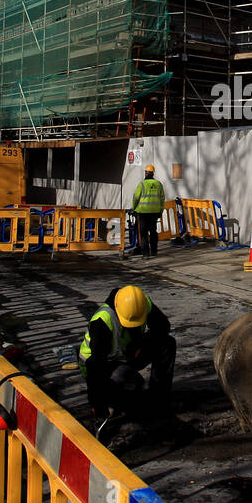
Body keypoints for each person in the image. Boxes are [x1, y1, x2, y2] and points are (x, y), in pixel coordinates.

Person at [77, 285, 175, 436]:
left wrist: (140, 342)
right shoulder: (103, 321)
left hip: (127, 355)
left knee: (167, 344)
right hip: (103, 365)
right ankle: (120, 400)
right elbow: (95, 367)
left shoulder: (142, 304)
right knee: (132, 382)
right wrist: (97, 406)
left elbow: (163, 326)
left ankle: (159, 398)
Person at [131, 164, 165, 258]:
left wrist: (133, 208)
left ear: (146, 173)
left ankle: (145, 253)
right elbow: (162, 198)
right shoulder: (159, 184)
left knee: (144, 233)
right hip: (155, 212)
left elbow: (136, 198)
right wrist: (160, 211)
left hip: (143, 212)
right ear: (153, 173)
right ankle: (154, 251)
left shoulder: (142, 184)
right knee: (153, 231)